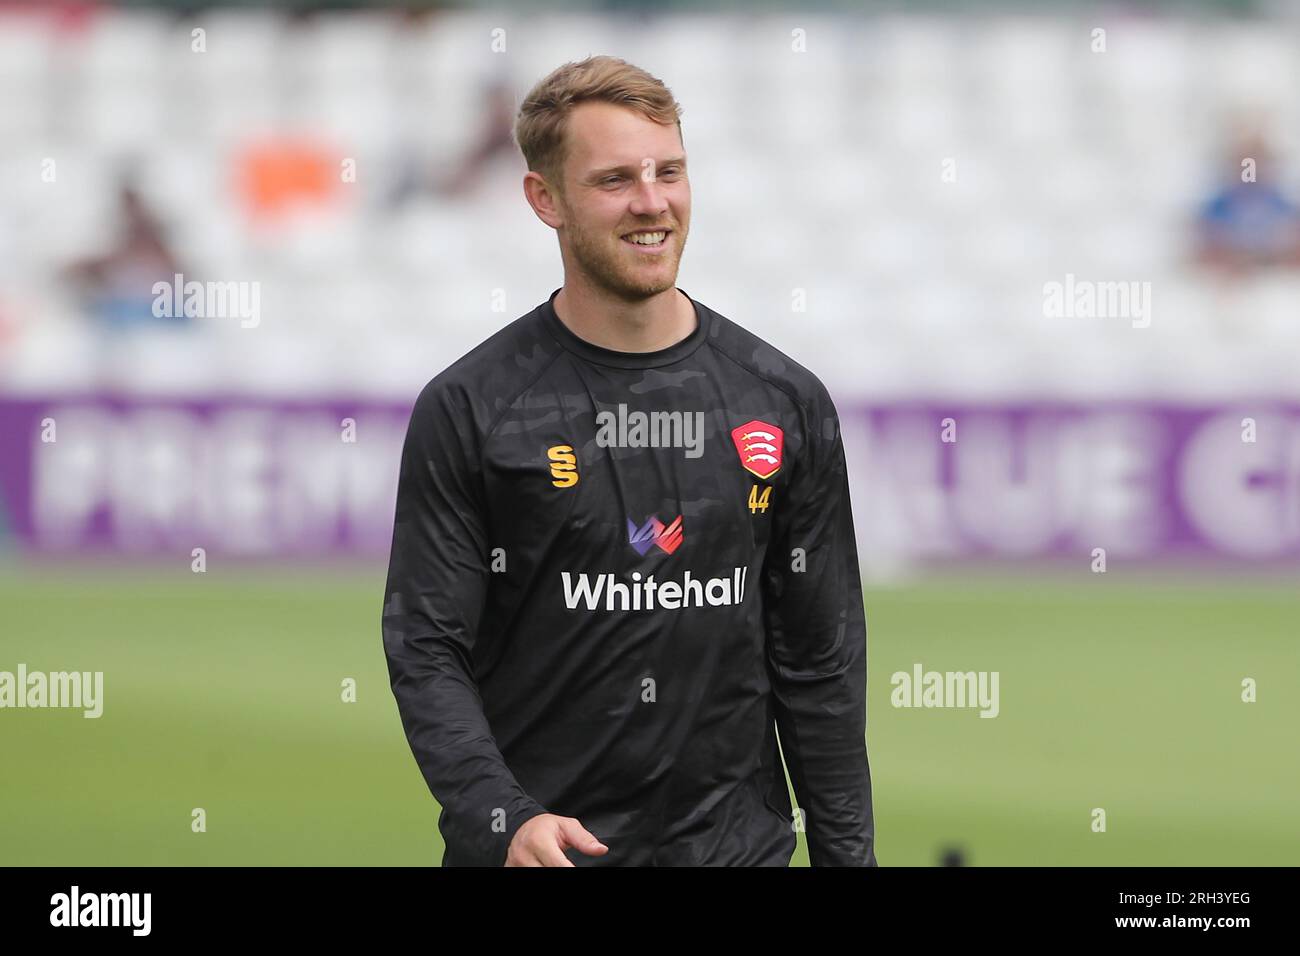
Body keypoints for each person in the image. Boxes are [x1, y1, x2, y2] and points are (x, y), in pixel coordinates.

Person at [381, 55, 877, 867]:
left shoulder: (782, 403)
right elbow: (425, 647)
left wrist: (849, 860)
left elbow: (820, 666)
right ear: (546, 200)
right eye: (615, 179)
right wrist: (502, 814)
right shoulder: (473, 408)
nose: (653, 203)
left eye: (669, 172)